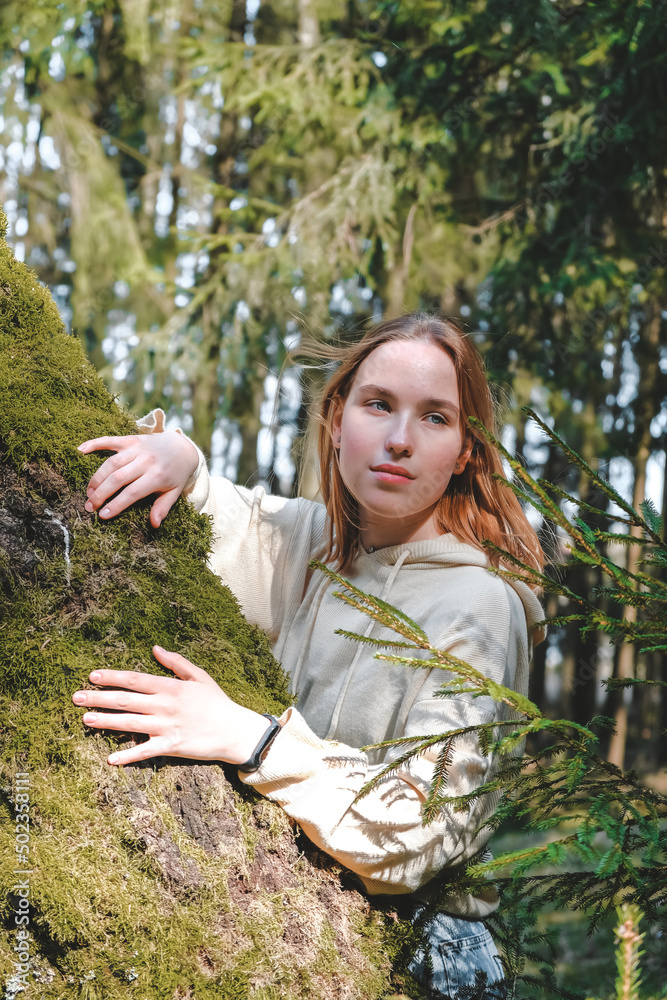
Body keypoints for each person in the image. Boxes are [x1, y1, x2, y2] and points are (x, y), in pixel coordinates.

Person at [73, 312, 546, 998]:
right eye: (377, 404)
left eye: (434, 417)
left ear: (465, 451)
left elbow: (421, 831)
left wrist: (254, 740)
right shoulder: (318, 543)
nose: (399, 438)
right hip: (306, 908)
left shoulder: (482, 606)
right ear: (337, 418)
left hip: (427, 950)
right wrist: (180, 458)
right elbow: (232, 522)